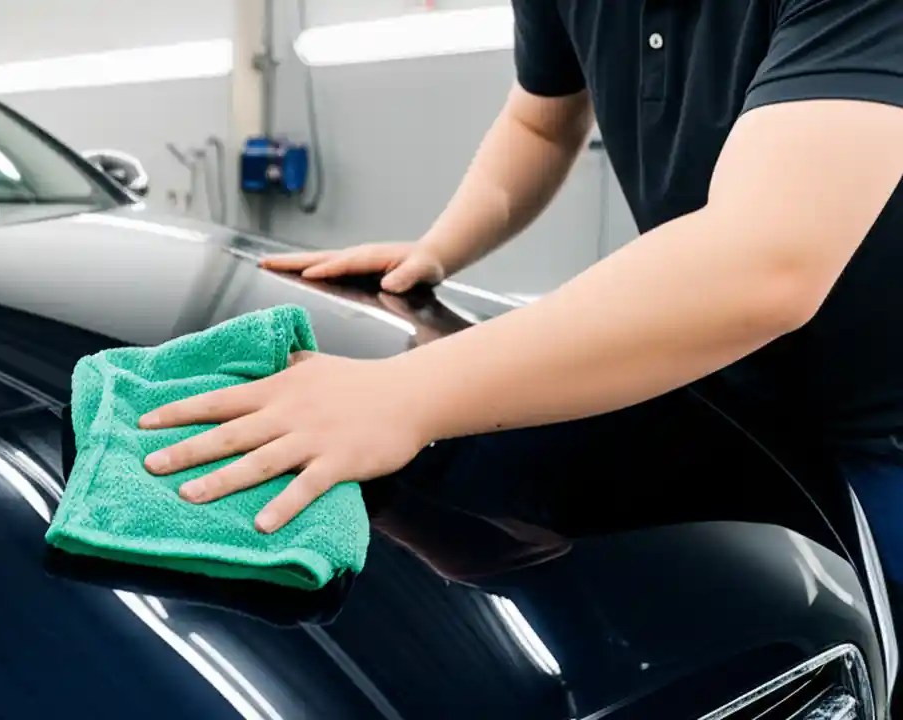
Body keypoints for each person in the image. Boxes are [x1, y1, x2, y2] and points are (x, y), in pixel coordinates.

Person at [142, 0, 903, 629]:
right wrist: (438, 250)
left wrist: (397, 394)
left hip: (878, 429)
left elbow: (764, 263)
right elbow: (540, 122)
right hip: (706, 389)